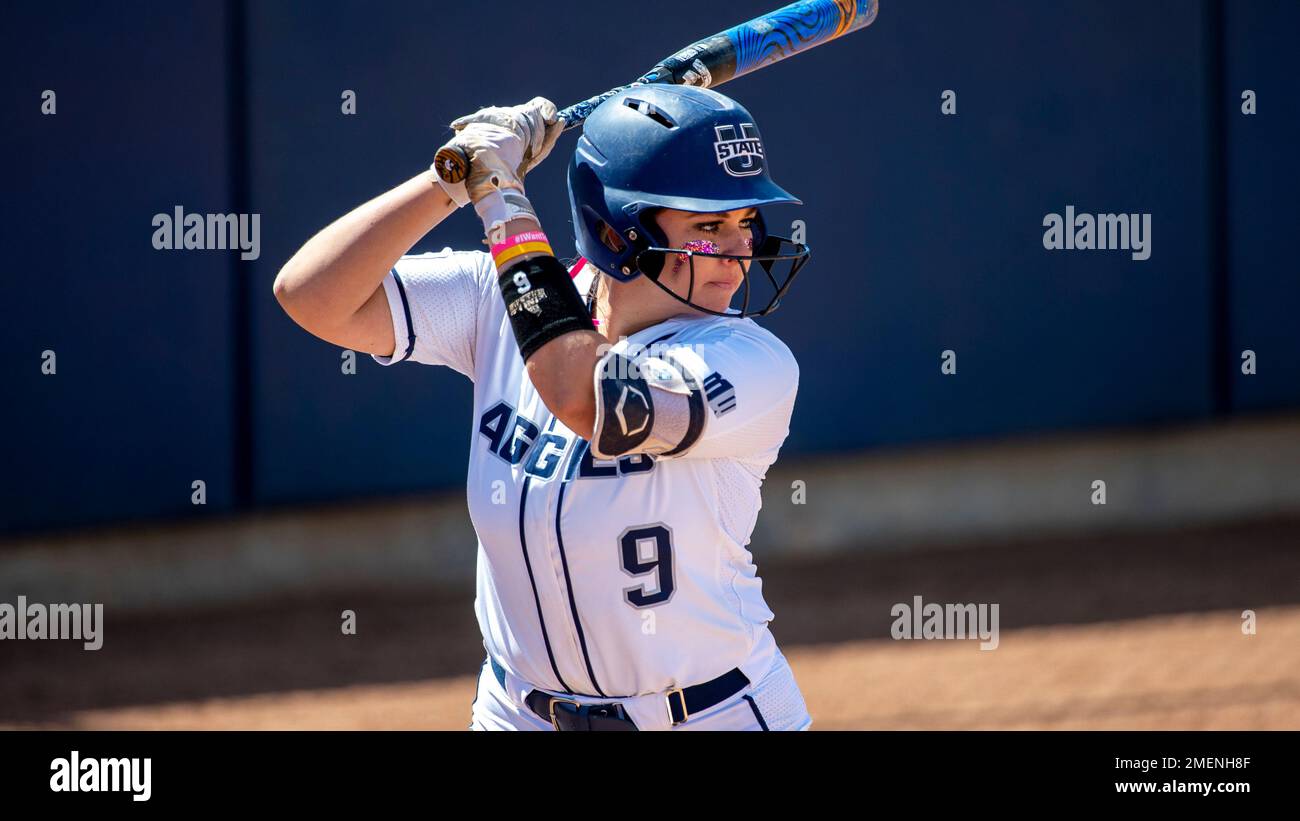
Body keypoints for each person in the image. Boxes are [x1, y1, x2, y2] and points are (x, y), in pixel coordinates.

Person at [274, 84, 812, 730]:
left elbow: (580, 392)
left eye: (745, 222)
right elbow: (310, 295)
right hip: (519, 713)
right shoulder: (489, 300)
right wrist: (452, 175)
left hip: (710, 713)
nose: (739, 249)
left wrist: (500, 196)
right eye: (707, 225)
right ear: (617, 231)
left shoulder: (750, 363)